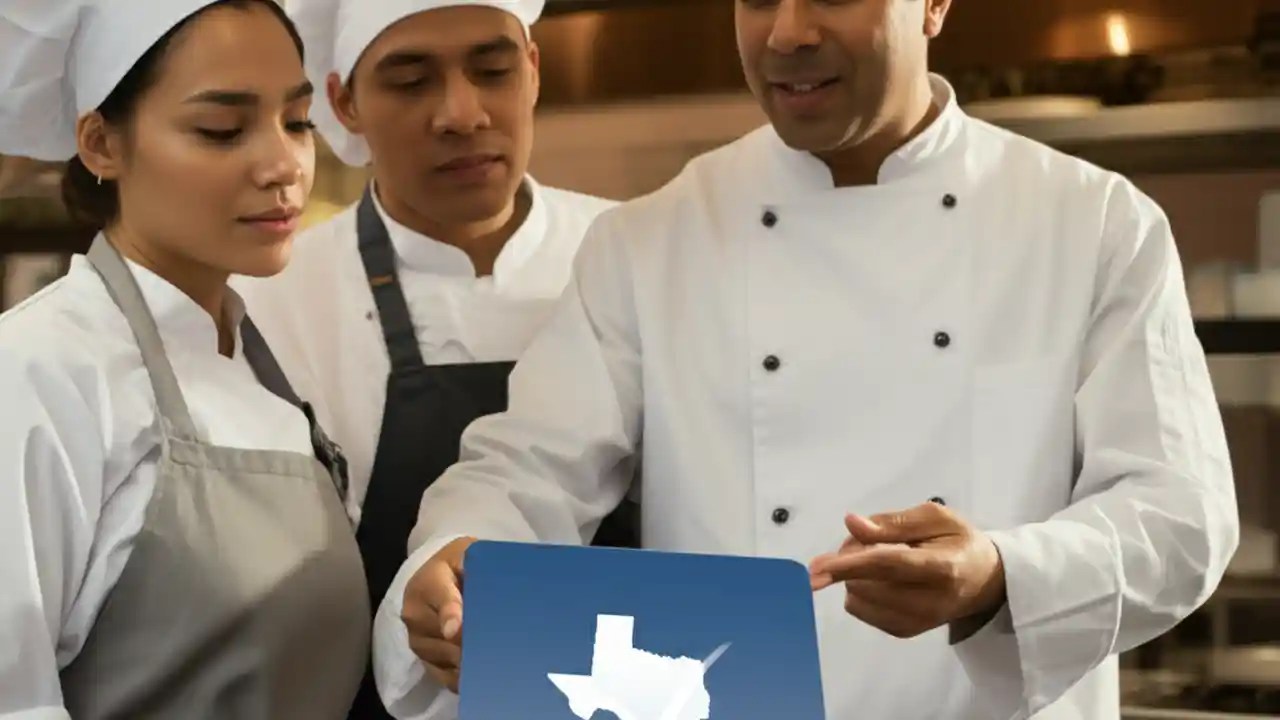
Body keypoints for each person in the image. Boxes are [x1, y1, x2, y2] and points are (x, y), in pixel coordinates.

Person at [373, 0, 1243, 718]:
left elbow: (1180, 515)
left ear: (934, 5)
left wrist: (1000, 576)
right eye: (756, 0)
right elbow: (527, 468)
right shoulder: (653, 241)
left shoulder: (1092, 225)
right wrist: (456, 558)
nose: (786, 32)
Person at [229, 0, 638, 717]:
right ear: (344, 103)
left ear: (534, 72)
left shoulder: (635, 252)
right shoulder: (272, 304)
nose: (461, 113)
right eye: (411, 81)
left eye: (493, 70)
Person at [0, 1, 369, 717]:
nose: (284, 165)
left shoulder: (272, 378)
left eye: (296, 121)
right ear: (102, 143)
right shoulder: (37, 373)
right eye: (222, 130)